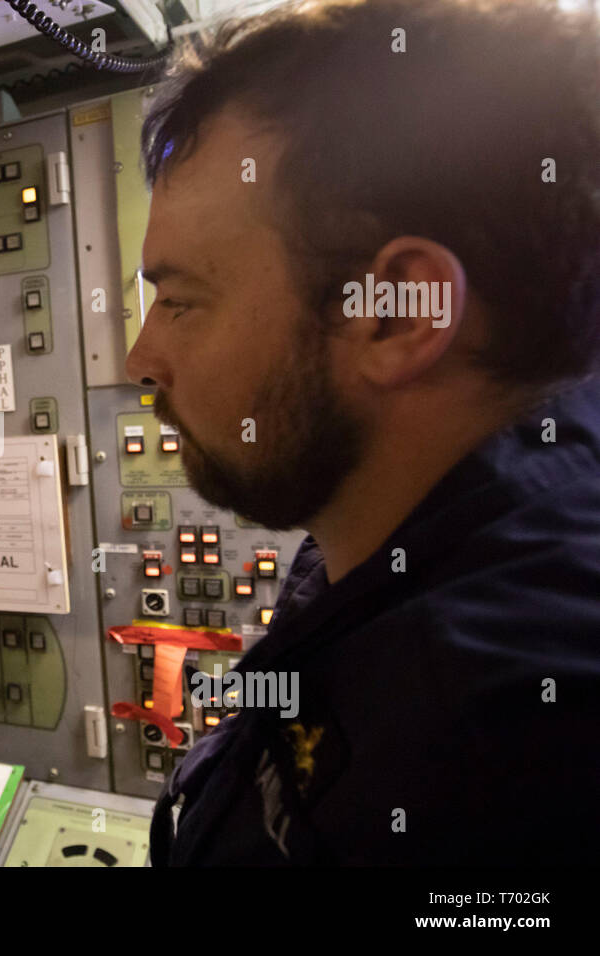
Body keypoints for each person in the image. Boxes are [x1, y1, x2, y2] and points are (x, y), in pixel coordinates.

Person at [129, 0, 600, 864]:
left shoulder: (514, 757)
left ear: (396, 315)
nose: (142, 358)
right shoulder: (389, 544)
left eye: (182, 300)